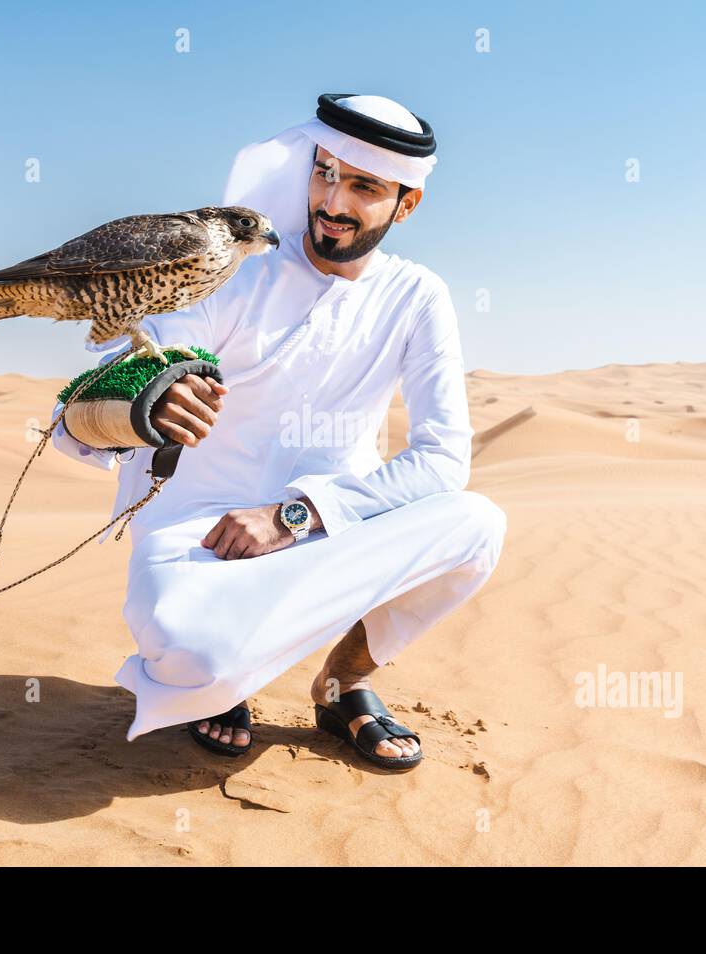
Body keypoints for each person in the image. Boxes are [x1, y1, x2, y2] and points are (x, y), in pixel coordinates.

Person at [50, 93, 506, 772]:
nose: (330, 200)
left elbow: (442, 460)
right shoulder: (233, 273)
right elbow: (97, 397)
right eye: (324, 173)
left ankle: (341, 682)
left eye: (362, 186)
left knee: (476, 523)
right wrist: (147, 403)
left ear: (405, 205)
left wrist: (294, 517)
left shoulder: (417, 297)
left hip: (323, 531)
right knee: (192, 654)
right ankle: (222, 676)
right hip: (196, 538)